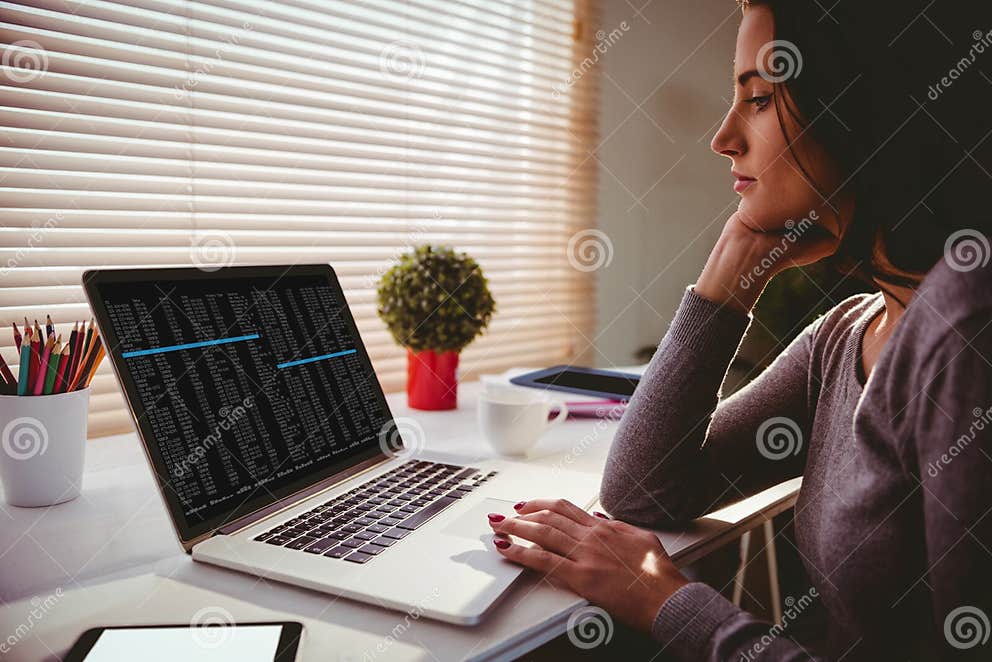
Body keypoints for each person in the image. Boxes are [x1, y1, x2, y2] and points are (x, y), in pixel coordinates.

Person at [485, 1, 992, 659]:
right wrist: (730, 274)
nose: (723, 137)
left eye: (756, 99)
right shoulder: (847, 334)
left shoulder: (964, 323)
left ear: (858, 104)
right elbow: (645, 491)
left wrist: (666, 601)